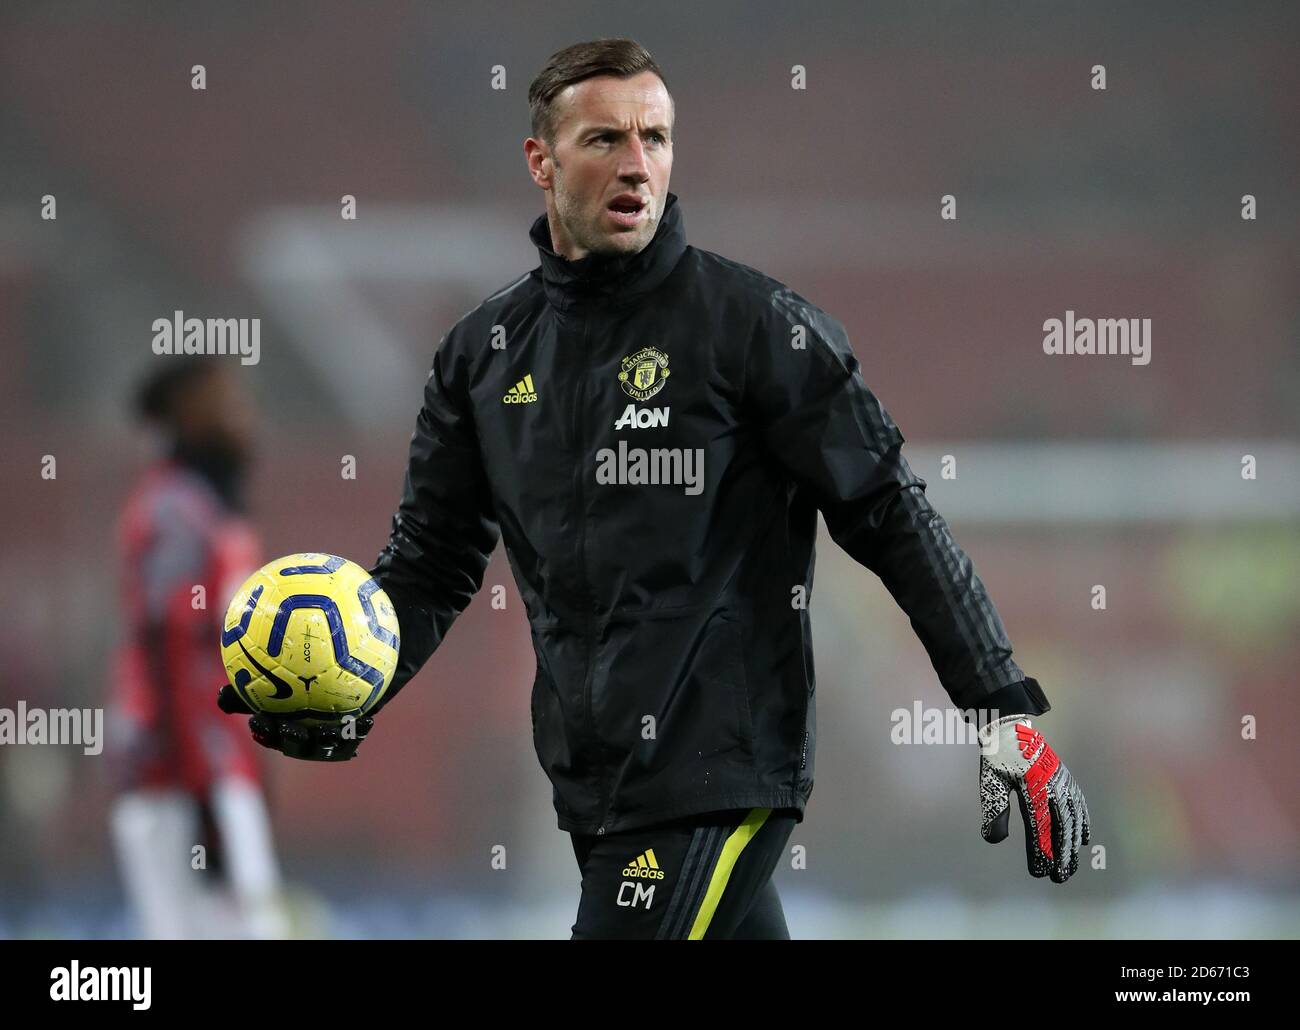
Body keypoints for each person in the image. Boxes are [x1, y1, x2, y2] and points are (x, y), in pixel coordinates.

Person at [219, 38, 1090, 939]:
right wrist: (352, 683)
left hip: (719, 771)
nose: (637, 163)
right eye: (604, 140)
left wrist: (1000, 707)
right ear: (541, 161)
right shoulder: (482, 357)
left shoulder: (759, 330)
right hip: (593, 786)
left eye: (656, 138)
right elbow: (432, 564)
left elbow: (890, 511)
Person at [110, 358, 288, 939]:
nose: (244, 417)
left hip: (212, 767)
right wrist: (201, 790)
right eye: (227, 402)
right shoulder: (174, 510)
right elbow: (169, 651)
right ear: (188, 412)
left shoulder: (211, 507)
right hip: (179, 776)